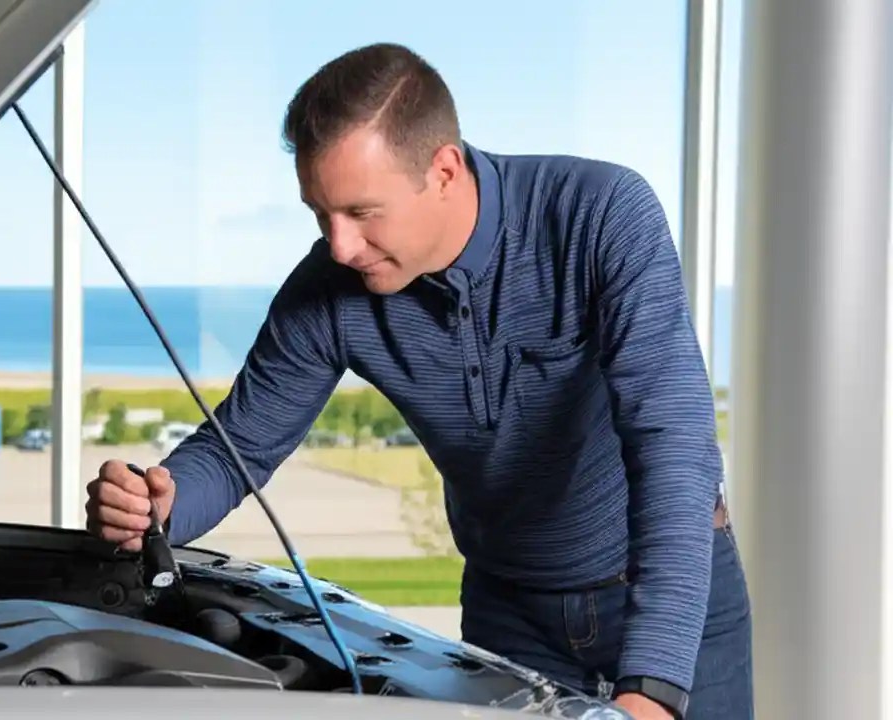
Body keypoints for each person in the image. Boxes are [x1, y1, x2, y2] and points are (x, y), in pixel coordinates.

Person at [85, 42, 751, 720]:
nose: (340, 245)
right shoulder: (330, 285)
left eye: (362, 212)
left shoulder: (601, 214)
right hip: (510, 612)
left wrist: (654, 689)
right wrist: (159, 503)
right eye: (320, 212)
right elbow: (238, 449)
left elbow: (673, 446)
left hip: (667, 592)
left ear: (444, 170)